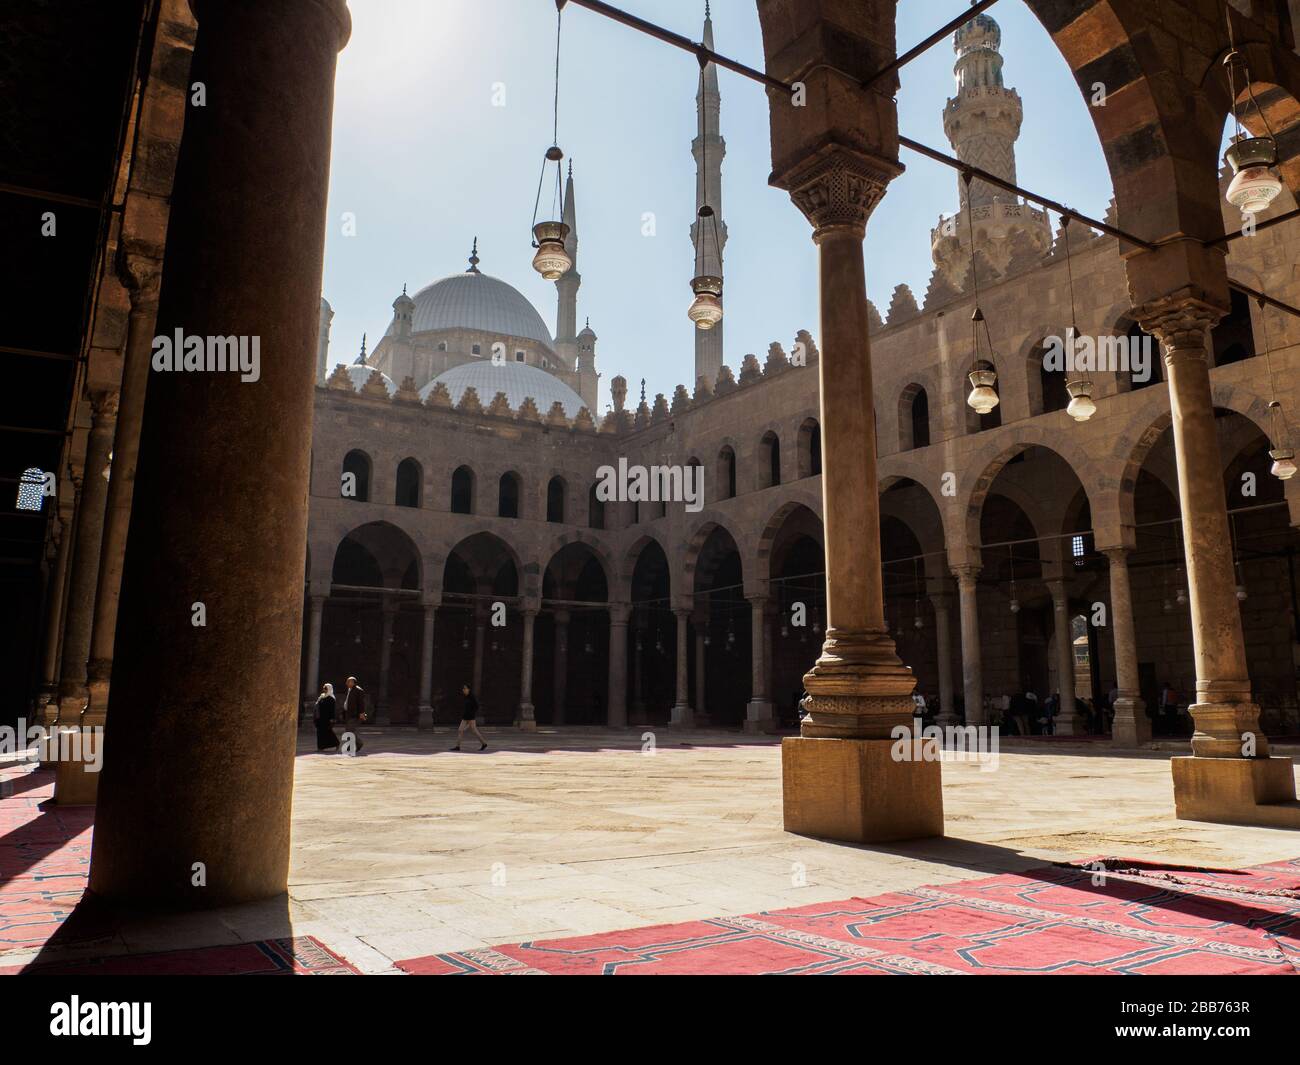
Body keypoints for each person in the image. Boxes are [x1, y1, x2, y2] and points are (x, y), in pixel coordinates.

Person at [451, 684, 487, 751]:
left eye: (465, 688)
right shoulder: (466, 697)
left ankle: (484, 743)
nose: (463, 690)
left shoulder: (472, 697)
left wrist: (472, 714)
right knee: (461, 730)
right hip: (465, 716)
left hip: (470, 717)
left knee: (473, 731)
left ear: (468, 689)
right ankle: (457, 746)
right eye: (463, 688)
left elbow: (476, 706)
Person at [341, 675, 366, 751]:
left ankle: (359, 743)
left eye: (348, 681)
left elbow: (361, 703)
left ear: (353, 682)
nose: (346, 683)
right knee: (348, 730)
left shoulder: (358, 690)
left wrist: (361, 713)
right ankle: (351, 747)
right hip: (348, 713)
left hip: (354, 714)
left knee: (350, 730)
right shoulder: (350, 690)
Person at [314, 683, 340, 752]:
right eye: (324, 688)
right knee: (319, 733)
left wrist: (332, 719)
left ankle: (336, 743)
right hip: (320, 718)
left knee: (328, 732)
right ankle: (320, 747)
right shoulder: (322, 697)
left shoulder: (331, 698)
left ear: (329, 689)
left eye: (325, 688)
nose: (324, 690)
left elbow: (332, 709)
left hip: (326, 718)